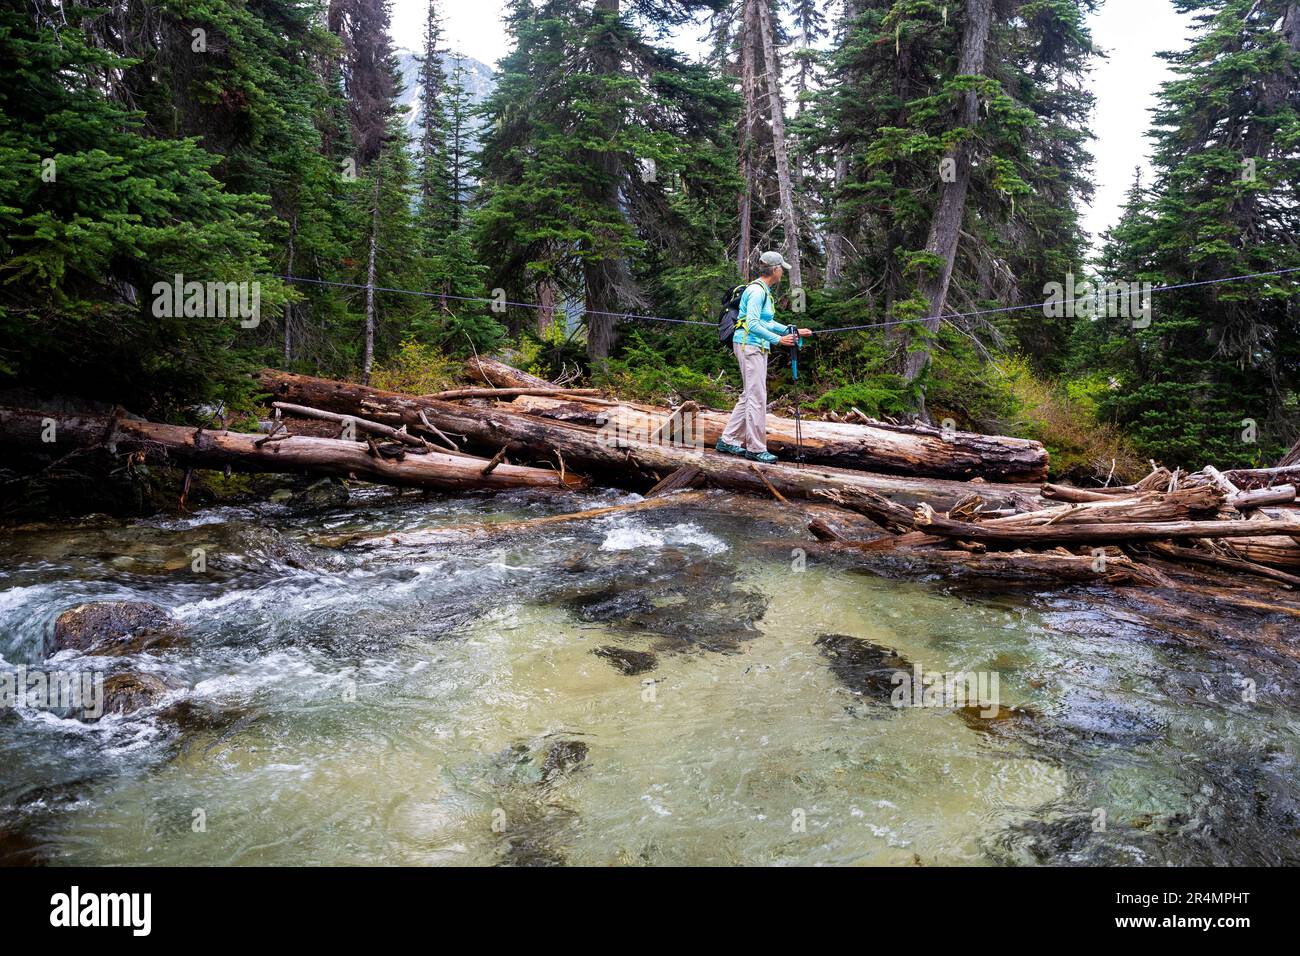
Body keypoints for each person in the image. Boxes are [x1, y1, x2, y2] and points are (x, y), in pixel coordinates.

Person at [716, 251, 812, 463]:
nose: (782, 273)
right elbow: (752, 324)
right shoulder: (758, 292)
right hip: (749, 345)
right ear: (775, 270)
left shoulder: (762, 290)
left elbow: (766, 322)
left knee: (749, 394)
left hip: (753, 344)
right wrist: (779, 340)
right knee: (757, 397)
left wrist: (790, 330)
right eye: (781, 270)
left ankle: (728, 440)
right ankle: (756, 448)